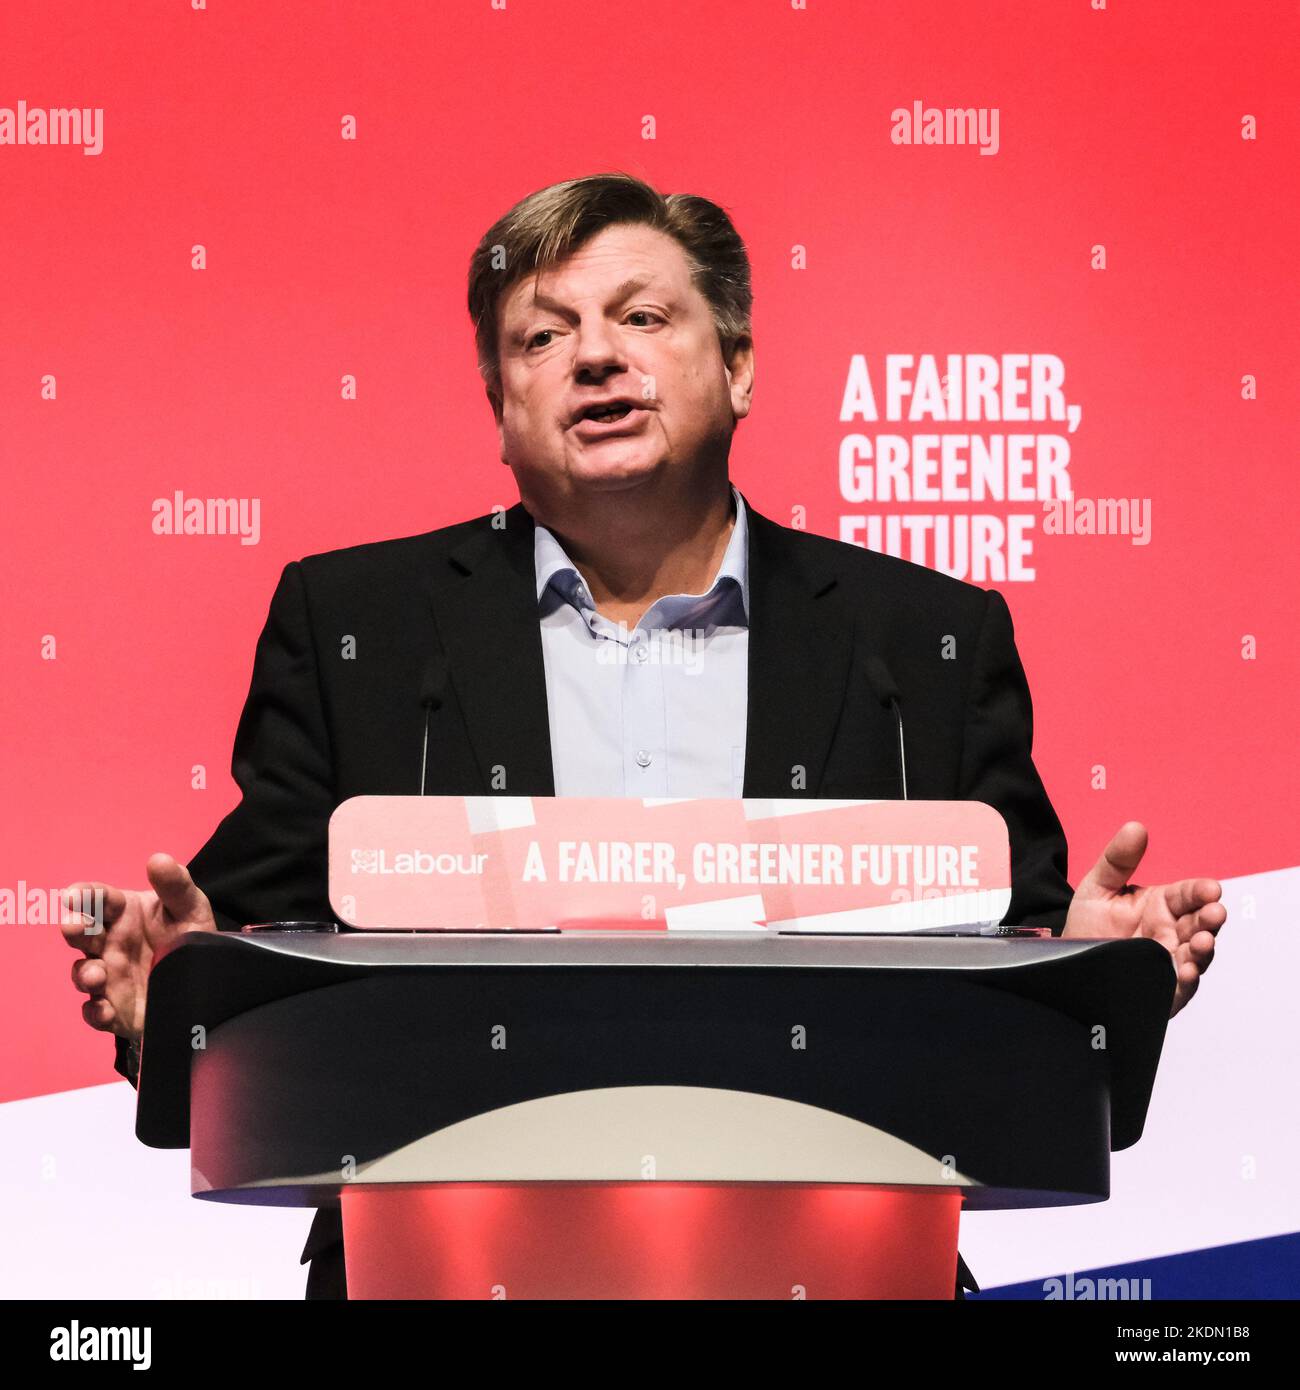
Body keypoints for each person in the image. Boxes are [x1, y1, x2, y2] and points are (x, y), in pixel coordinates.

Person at [59, 172, 1226, 1300]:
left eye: (641, 316)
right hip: (440, 1260)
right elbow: (247, 948)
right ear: (498, 408)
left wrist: (1092, 972)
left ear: (739, 364)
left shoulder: (920, 637)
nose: (595, 357)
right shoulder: (359, 623)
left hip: (837, 1258)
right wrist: (174, 1009)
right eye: (541, 337)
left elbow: (1017, 959)